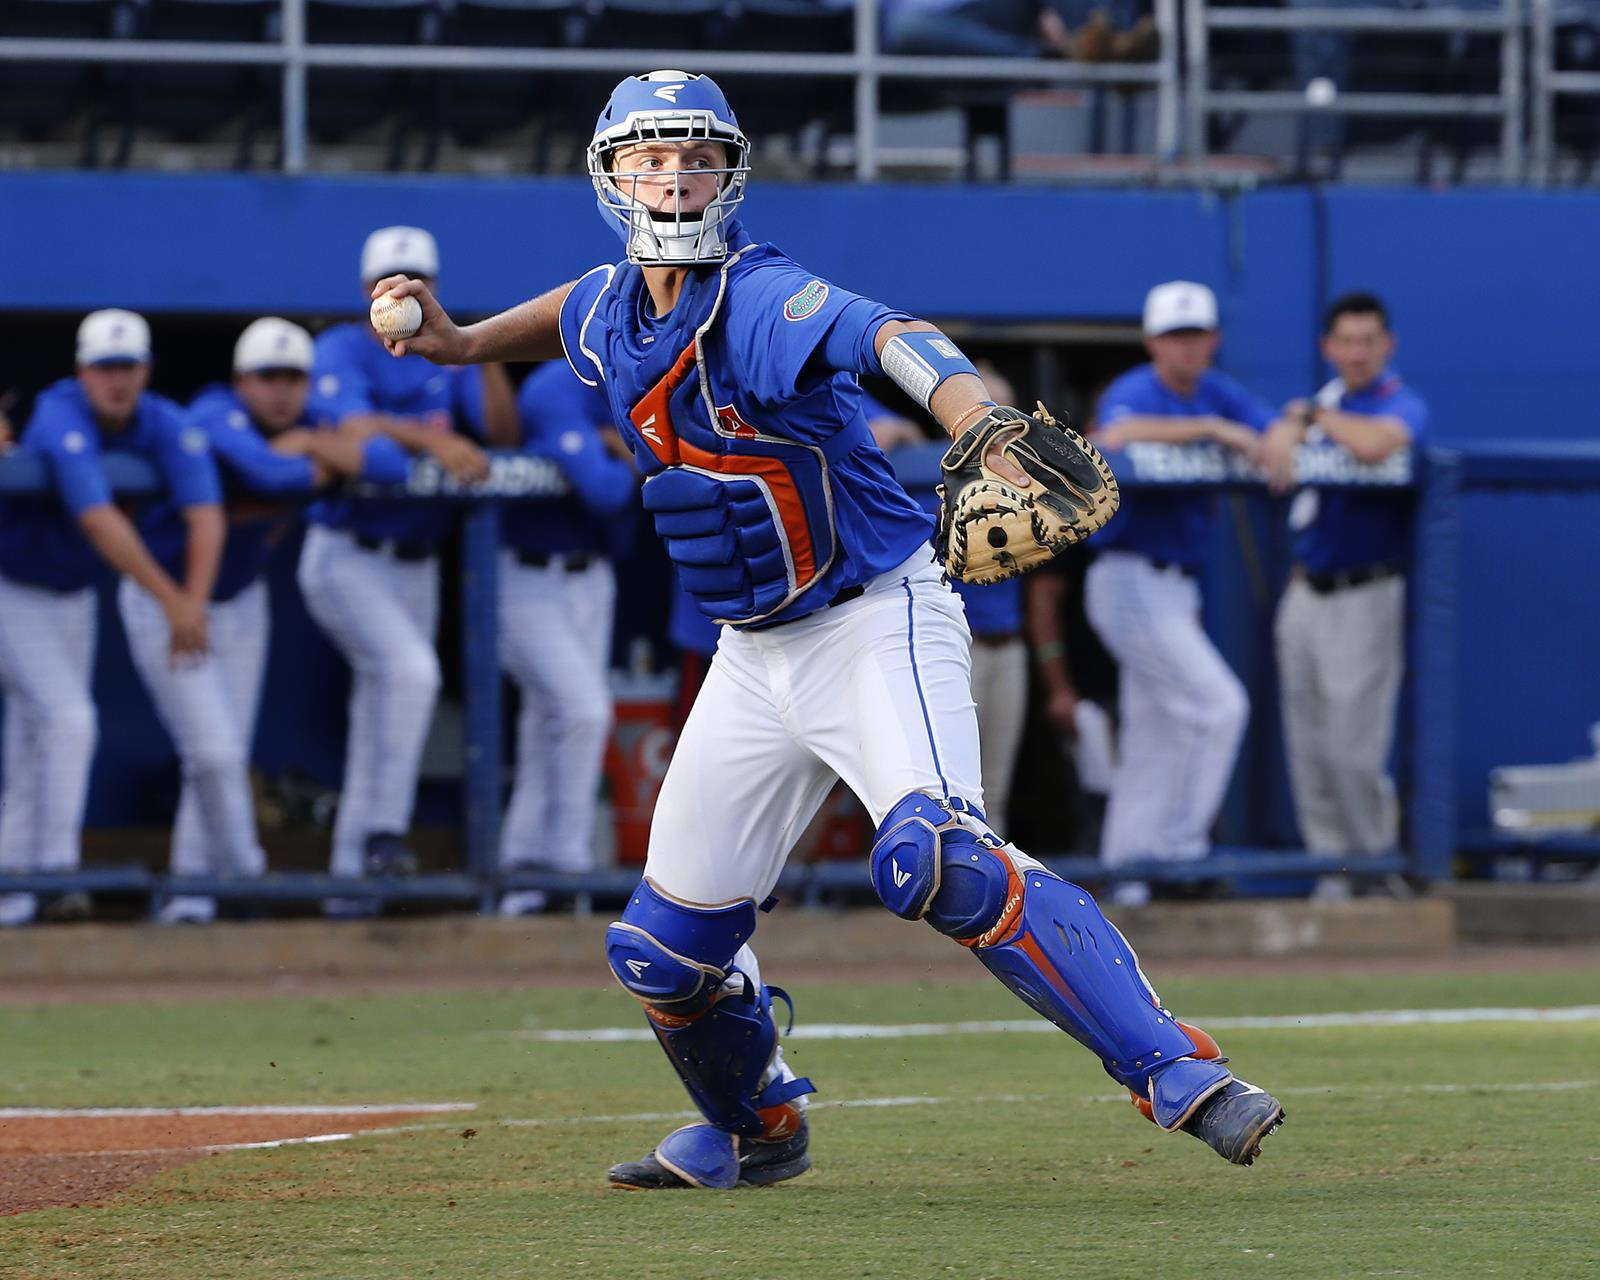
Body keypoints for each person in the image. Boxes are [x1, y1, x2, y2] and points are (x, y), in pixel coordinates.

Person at [373, 70, 1284, 1188]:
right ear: (611, 177)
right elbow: (567, 310)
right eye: (651, 159)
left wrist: (975, 416)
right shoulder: (609, 305)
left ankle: (1177, 1067)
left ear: (732, 172)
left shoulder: (756, 296)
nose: (675, 179)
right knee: (661, 952)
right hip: (752, 654)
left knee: (938, 860)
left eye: (698, 157)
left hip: (871, 619)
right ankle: (759, 1129)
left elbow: (888, 333)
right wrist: (462, 342)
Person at [125, 318, 409, 925]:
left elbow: (391, 465)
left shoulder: (311, 421)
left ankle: (193, 894)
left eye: (293, 378)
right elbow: (266, 474)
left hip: (241, 600)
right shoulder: (212, 412)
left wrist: (308, 444)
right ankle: (248, 877)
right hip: (170, 598)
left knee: (223, 754)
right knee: (213, 753)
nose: (281, 390)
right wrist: (329, 457)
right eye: (267, 377)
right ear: (241, 382)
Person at [297, 226, 518, 912]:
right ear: (366, 291)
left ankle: (351, 888)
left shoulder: (445, 349)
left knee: (383, 705)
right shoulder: (340, 347)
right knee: (411, 674)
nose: (397, 291)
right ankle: (384, 833)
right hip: (347, 553)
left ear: (434, 286)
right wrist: (430, 438)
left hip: (417, 560)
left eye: (415, 276)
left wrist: (482, 349)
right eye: (384, 280)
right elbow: (352, 430)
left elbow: (503, 435)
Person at [0, 310, 223, 928]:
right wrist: (171, 598)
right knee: (69, 721)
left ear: (146, 371)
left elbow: (205, 511)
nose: (116, 380)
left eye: (126, 367)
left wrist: (193, 599)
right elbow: (99, 521)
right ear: (82, 371)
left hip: (73, 595)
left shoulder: (160, 420)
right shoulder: (59, 411)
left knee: (34, 740)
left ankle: (12, 890)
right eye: (104, 367)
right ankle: (56, 877)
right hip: (12, 586)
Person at [1084, 281, 1279, 908]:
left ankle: (1127, 876)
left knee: (1155, 733)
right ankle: (1179, 854)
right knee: (1220, 706)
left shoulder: (1219, 390)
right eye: (1174, 336)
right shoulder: (1139, 389)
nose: (1186, 347)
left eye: (1195, 335)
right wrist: (1215, 430)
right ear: (1152, 342)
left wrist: (1281, 435)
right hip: (1127, 576)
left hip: (1176, 588)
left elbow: (1274, 431)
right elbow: (1113, 436)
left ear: (1213, 339)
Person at [1258, 291, 1428, 900]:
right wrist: (1290, 425)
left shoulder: (1394, 401)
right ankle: (1333, 874)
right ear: (1328, 347)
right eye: (1347, 341)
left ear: (1387, 345)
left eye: (1368, 341)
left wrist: (1309, 418)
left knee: (1353, 748)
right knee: (1307, 744)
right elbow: (1269, 449)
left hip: (1365, 591)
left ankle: (1375, 871)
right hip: (1305, 592)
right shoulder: (1322, 403)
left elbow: (1379, 443)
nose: (1357, 353)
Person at [496, 360, 639, 917]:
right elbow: (605, 490)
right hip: (527, 578)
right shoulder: (554, 387)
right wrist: (629, 452)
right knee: (583, 711)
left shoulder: (641, 375)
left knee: (545, 723)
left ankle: (520, 874)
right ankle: (565, 865)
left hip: (593, 578)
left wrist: (620, 446)